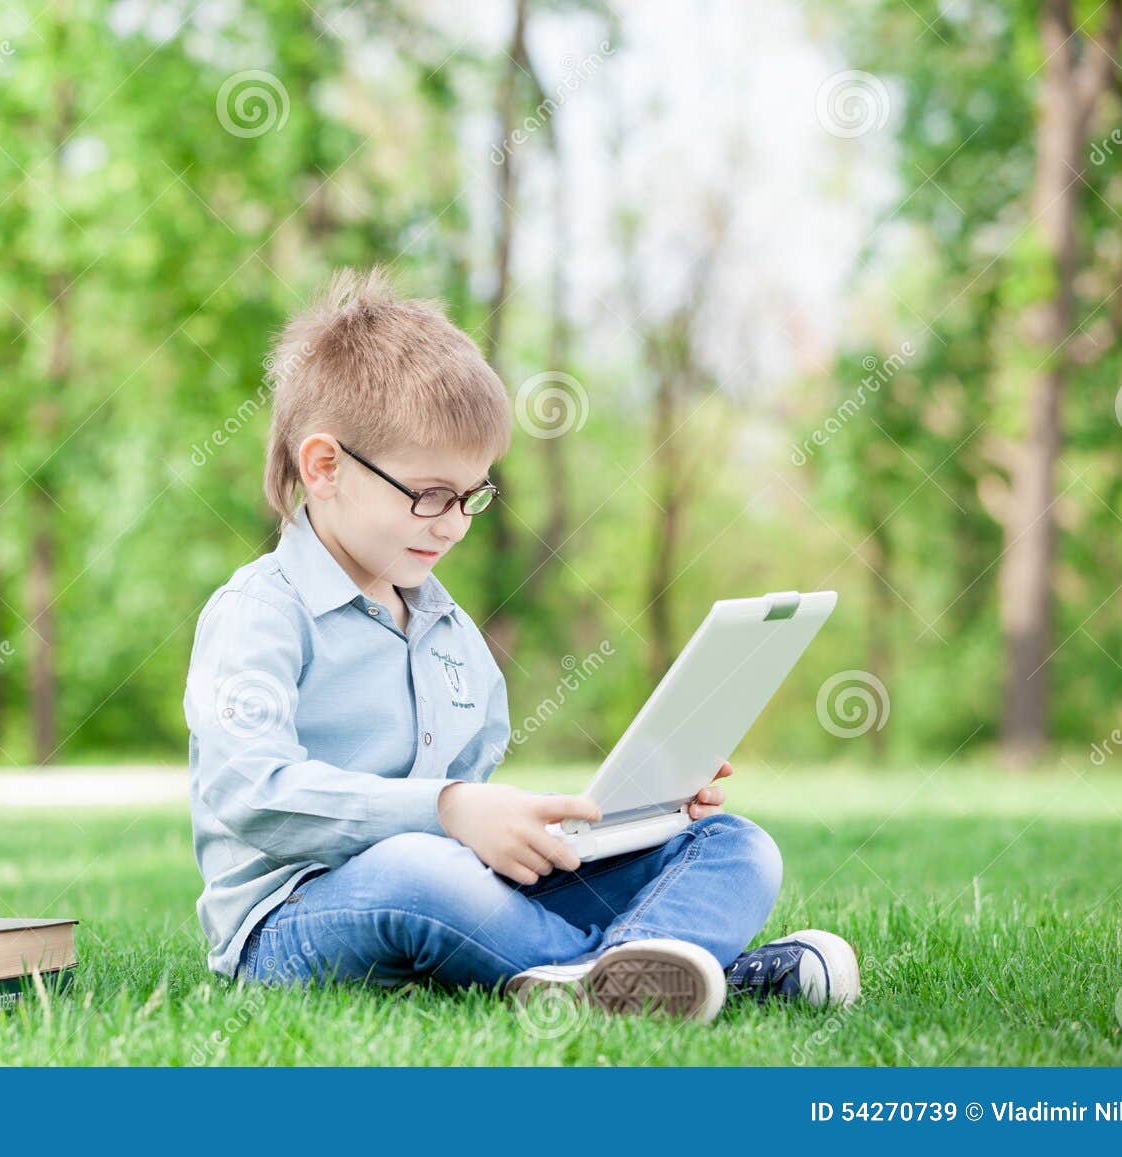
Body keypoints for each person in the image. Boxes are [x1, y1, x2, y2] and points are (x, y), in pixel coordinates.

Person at [184, 267, 859, 1021]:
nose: (454, 523)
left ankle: (613, 975)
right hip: (293, 924)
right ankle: (700, 970)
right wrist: (447, 808)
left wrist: (639, 808)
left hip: (452, 888)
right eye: (430, 494)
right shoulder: (259, 612)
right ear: (325, 466)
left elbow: (481, 836)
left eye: (472, 495)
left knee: (736, 846)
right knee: (420, 869)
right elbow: (248, 792)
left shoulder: (450, 634)